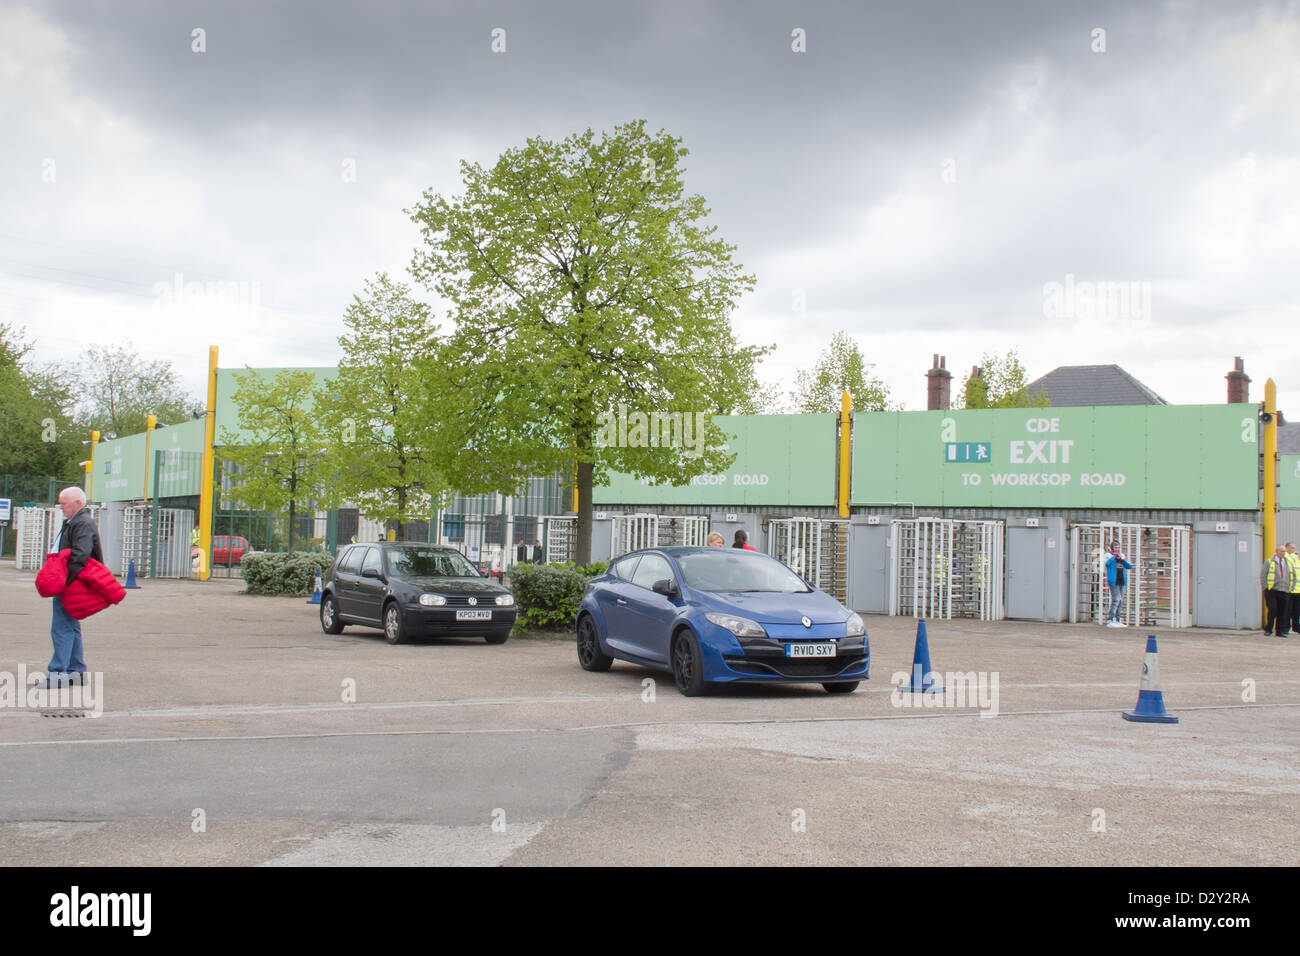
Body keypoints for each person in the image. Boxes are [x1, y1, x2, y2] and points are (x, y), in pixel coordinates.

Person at [45, 486, 103, 687]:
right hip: (74, 581)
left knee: (61, 627)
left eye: (63, 503)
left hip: (71, 582)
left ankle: (57, 673)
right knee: (70, 626)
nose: (60, 507)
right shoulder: (76, 522)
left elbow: (80, 553)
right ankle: (76, 671)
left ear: (77, 503)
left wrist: (64, 580)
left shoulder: (82, 524)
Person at [1261, 545, 1292, 637]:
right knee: (1273, 610)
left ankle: (1280, 631)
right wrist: (1265, 587)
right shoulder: (1269, 562)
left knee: (1282, 611)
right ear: (1277, 552)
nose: (1283, 553)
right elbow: (1263, 575)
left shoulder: (1288, 562)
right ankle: (1269, 629)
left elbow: (1293, 575)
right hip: (1272, 590)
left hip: (1284, 590)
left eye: (1284, 551)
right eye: (1282, 551)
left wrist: (1291, 587)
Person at [1104, 541, 1133, 627]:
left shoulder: (1122, 555)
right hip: (1113, 580)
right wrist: (1114, 556)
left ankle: (1118, 619)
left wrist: (1122, 560)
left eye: (1118, 547)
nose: (1117, 549)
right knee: (1116, 599)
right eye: (1115, 547)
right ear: (1112, 548)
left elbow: (1129, 566)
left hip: (1122, 580)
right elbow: (1107, 564)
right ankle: (1110, 619)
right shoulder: (1108, 555)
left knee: (1120, 600)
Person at [1286, 543, 1300, 634]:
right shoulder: (1286, 557)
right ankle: (1286, 628)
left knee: (1296, 611)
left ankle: (1296, 628)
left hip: (1298, 590)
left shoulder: (1296, 559)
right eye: (1292, 548)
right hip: (1289, 590)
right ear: (1286, 548)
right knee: (1287, 610)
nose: (1294, 549)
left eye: (1295, 548)